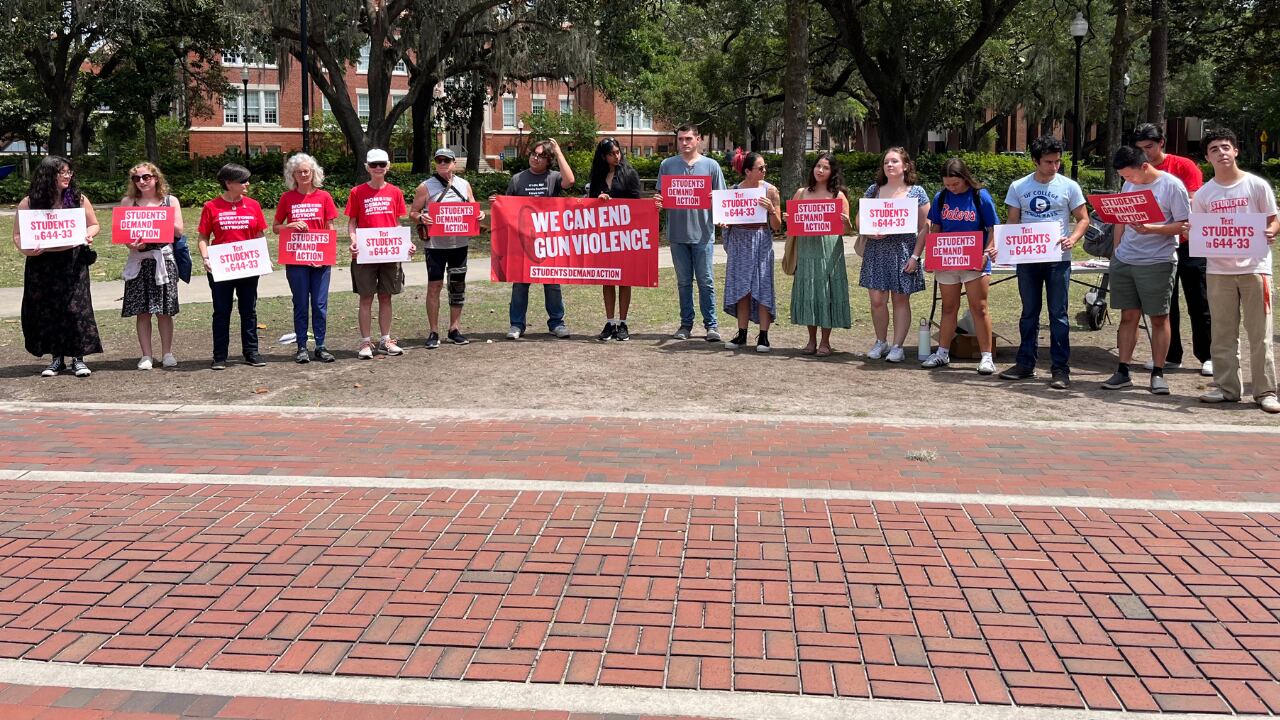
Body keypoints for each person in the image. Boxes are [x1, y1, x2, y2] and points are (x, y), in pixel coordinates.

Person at [1190, 128, 1280, 412]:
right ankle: (1227, 388)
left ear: (1236, 151)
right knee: (1222, 332)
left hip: (1256, 268)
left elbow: (1273, 219)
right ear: (1207, 157)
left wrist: (1270, 231)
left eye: (1225, 147)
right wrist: (1192, 231)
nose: (1221, 152)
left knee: (1260, 333)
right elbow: (1199, 230)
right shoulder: (1204, 193)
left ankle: (1265, 391)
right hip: (1218, 271)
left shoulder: (1256, 185)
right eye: (1214, 149)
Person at [999, 135, 1090, 389]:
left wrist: (1073, 238)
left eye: (1058, 161)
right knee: (1029, 313)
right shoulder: (1019, 186)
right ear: (1035, 160)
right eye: (1049, 162)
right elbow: (1012, 222)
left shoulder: (1069, 186)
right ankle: (1025, 363)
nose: (1054, 166)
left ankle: (1060, 369)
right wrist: (1004, 247)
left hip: (1058, 258)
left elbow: (1083, 219)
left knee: (1058, 314)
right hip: (1028, 258)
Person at [1099, 145, 1191, 395]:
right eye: (1123, 178)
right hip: (1126, 259)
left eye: (1129, 175)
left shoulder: (1171, 185)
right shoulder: (1129, 184)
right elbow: (1120, 218)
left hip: (1157, 261)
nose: (1127, 181)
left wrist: (1152, 229)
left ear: (1144, 166)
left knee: (1159, 317)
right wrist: (1117, 251)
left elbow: (1185, 226)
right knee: (1128, 316)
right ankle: (1123, 370)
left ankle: (1158, 372)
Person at [12, 156, 101, 378]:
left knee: (75, 309)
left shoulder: (78, 199)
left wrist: (88, 235)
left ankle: (78, 358)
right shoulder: (29, 202)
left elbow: (94, 224)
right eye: (63, 172)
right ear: (48, 175)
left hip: (72, 262)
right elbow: (17, 234)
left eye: (69, 172)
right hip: (42, 265)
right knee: (49, 310)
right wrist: (27, 249)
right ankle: (56, 359)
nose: (68, 176)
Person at [1134, 122, 1211, 376]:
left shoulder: (1183, 166)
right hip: (1158, 245)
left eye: (1150, 147)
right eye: (1140, 148)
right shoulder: (1138, 168)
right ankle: (1171, 354)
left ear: (1161, 143)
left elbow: (1194, 201)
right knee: (1166, 303)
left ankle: (1207, 355)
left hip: (1189, 243)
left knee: (1198, 300)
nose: (1146, 153)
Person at [923, 158, 1000, 374]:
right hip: (947, 260)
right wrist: (932, 256)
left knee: (979, 307)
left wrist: (987, 252)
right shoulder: (941, 197)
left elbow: (993, 227)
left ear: (965, 179)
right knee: (948, 308)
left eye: (955, 184)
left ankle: (986, 356)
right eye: (947, 184)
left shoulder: (980, 196)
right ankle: (942, 352)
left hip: (975, 260)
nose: (951, 189)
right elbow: (935, 227)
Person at [857, 147, 930, 363]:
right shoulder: (874, 190)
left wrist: (915, 257)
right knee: (877, 300)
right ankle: (881, 341)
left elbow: (925, 227)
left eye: (895, 161)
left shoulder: (917, 192)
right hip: (876, 250)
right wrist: (870, 233)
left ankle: (898, 346)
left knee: (900, 299)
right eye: (886, 162)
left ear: (906, 166)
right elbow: (860, 220)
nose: (889, 165)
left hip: (903, 251)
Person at [655, 125, 726, 342]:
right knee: (683, 282)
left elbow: (722, 199)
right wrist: (658, 203)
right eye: (680, 139)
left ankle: (711, 325)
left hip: (703, 234)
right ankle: (686, 324)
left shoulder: (711, 166)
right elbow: (661, 195)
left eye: (688, 139)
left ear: (698, 140)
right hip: (677, 234)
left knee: (706, 281)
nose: (684, 143)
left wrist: (716, 203)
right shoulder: (667, 165)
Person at [500, 138, 575, 339]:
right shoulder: (517, 179)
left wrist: (559, 152)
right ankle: (516, 325)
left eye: (541, 156)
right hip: (522, 242)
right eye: (534, 153)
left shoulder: (553, 177)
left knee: (552, 283)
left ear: (549, 160)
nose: (535, 158)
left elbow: (570, 182)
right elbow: (507, 210)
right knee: (520, 285)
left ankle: (557, 323)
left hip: (548, 241)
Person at [198, 163, 268, 370]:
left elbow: (259, 234)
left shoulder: (253, 205)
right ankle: (219, 356)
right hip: (221, 266)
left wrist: (263, 256)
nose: (247, 184)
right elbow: (203, 236)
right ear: (229, 183)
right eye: (242, 181)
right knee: (221, 311)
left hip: (247, 266)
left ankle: (251, 352)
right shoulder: (211, 207)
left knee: (249, 310)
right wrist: (205, 257)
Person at [411, 148, 483, 349]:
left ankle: (454, 329)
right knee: (434, 286)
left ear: (454, 163)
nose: (442, 163)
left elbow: (473, 207)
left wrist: (480, 216)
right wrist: (421, 217)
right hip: (435, 245)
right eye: (438, 160)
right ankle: (434, 331)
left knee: (457, 286)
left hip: (459, 243)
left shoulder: (464, 184)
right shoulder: (425, 187)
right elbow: (413, 212)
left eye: (446, 160)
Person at [347, 148, 412, 359]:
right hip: (365, 253)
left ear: (388, 166)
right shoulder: (357, 192)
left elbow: (397, 222)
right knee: (366, 298)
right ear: (367, 167)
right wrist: (354, 240)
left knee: (386, 297)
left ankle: (385, 339)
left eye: (381, 164)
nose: (378, 168)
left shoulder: (395, 192)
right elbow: (352, 222)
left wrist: (406, 243)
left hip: (389, 253)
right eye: (373, 165)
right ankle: (366, 342)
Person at [274, 153, 339, 364]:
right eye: (299, 172)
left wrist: (326, 254)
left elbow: (330, 227)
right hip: (296, 258)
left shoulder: (324, 197)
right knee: (300, 303)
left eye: (306, 171)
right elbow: (275, 228)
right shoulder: (287, 198)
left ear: (313, 173)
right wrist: (289, 226)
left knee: (320, 304)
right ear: (292, 175)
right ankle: (301, 346)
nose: (303, 175)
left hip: (320, 259)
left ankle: (320, 345)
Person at [785, 153, 851, 356]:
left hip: (829, 249)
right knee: (810, 291)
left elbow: (846, 230)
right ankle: (811, 340)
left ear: (832, 172)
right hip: (806, 249)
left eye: (825, 167)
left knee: (826, 291)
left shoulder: (838, 195)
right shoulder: (801, 193)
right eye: (818, 166)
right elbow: (793, 225)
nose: (820, 170)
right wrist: (789, 219)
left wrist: (846, 222)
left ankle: (825, 342)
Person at [121, 162, 182, 370]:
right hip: (139, 261)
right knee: (142, 311)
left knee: (165, 311)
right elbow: (124, 236)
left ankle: (167, 353)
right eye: (136, 178)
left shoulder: (169, 201)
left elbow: (179, 232)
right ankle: (146, 355)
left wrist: (160, 219)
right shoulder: (128, 202)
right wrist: (131, 243)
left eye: (146, 177)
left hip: (163, 260)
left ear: (156, 178)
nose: (141, 182)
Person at [719, 152, 781, 352]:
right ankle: (742, 333)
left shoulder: (770, 191)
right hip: (739, 241)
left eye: (765, 167)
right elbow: (726, 218)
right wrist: (725, 222)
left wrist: (771, 209)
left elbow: (777, 226)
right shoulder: (735, 191)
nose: (764, 171)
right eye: (760, 168)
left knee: (762, 286)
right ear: (747, 171)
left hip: (760, 240)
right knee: (742, 289)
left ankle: (763, 336)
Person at [586, 138, 642, 341]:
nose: (616, 156)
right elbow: (590, 205)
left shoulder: (629, 174)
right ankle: (610, 322)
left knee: (624, 280)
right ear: (603, 156)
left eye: (618, 152)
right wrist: (598, 200)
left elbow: (638, 206)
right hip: (603, 236)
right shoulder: (598, 176)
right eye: (611, 153)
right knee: (607, 278)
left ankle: (623, 322)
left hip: (624, 236)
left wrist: (616, 203)